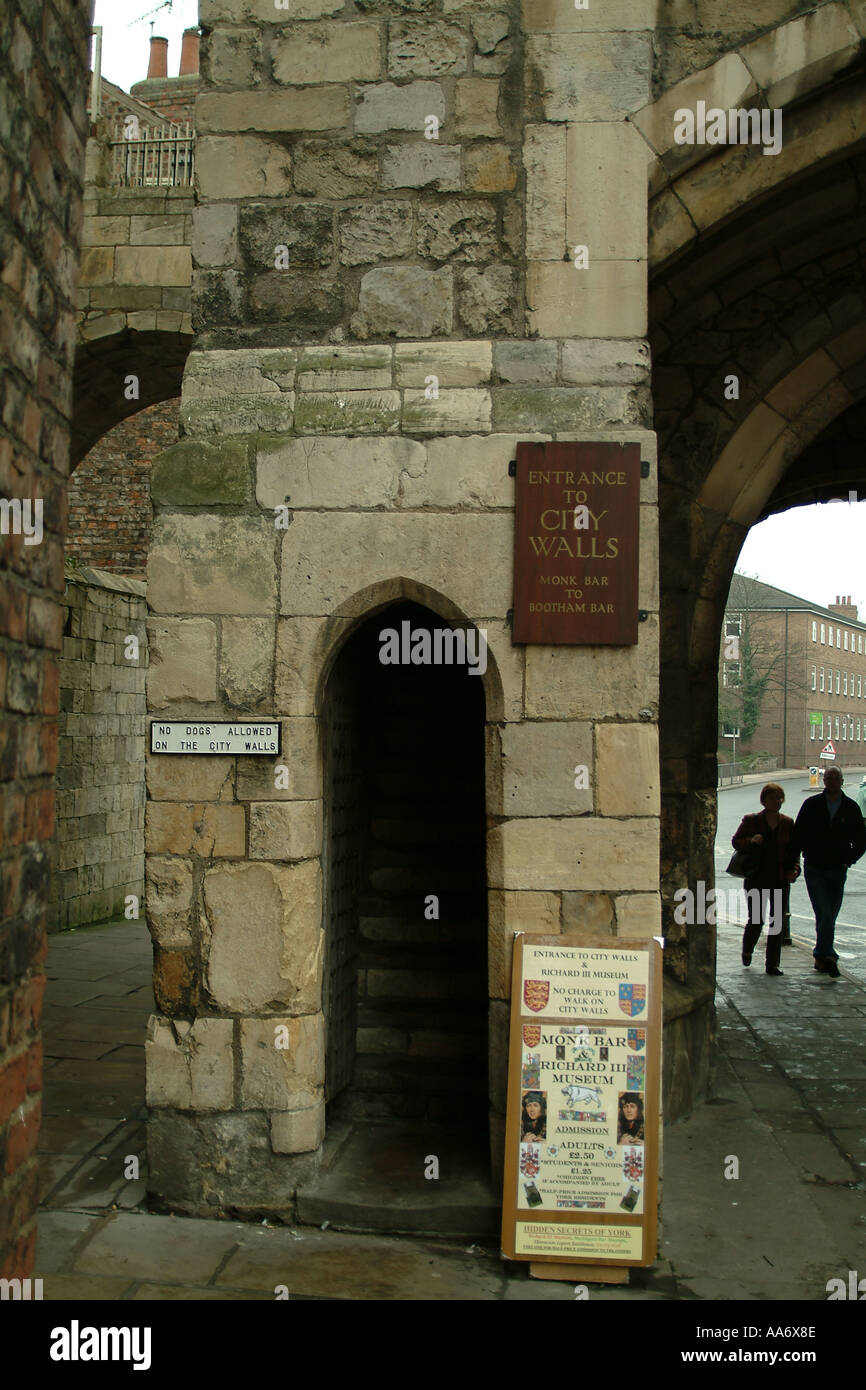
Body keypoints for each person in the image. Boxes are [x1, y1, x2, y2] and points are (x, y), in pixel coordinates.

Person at [787, 766, 866, 978]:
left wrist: (849, 860)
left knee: (828, 913)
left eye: (835, 778)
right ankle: (827, 955)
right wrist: (793, 863)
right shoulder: (811, 805)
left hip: (838, 868)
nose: (830, 781)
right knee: (825, 912)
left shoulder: (850, 808)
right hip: (815, 867)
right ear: (824, 781)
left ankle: (821, 958)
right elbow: (798, 836)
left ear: (842, 781)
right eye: (828, 777)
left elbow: (861, 838)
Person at [732, 783, 799, 976]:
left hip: (779, 878)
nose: (777, 801)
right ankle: (747, 949)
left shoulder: (787, 823)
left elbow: (794, 852)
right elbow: (736, 841)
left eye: (779, 798)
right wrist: (751, 841)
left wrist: (794, 870)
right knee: (756, 919)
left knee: (777, 921)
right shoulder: (751, 821)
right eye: (772, 798)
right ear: (764, 800)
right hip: (756, 878)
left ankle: (772, 963)